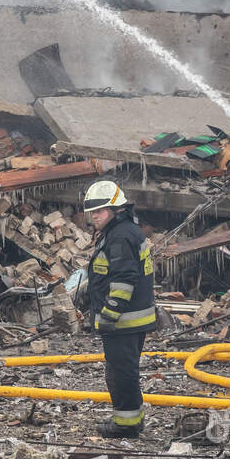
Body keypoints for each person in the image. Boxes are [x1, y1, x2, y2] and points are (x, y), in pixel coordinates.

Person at [74, 180, 156, 438]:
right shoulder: (124, 230)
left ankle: (126, 425)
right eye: (92, 212)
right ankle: (133, 418)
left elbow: (123, 280)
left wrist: (108, 314)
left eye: (99, 211)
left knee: (120, 374)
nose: (94, 216)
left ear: (116, 209)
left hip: (123, 322)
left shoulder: (119, 236)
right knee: (125, 371)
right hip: (131, 320)